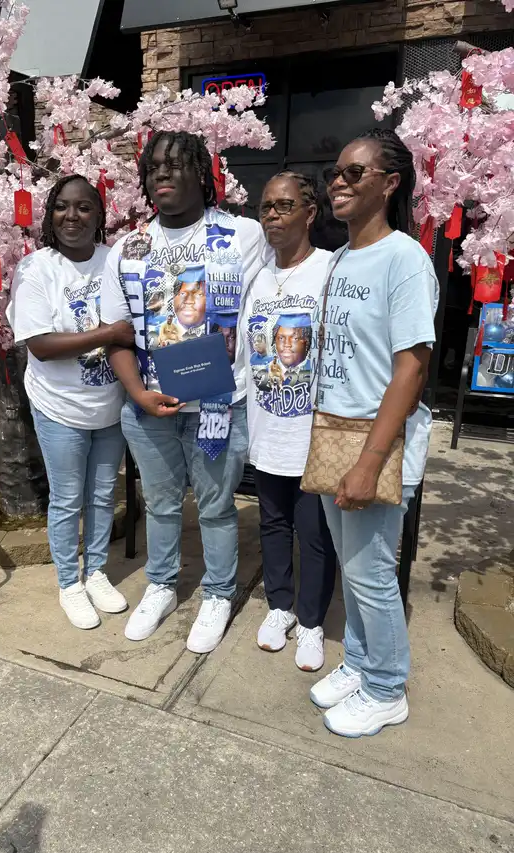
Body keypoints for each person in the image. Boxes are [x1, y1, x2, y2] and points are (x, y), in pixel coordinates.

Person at [100, 130, 266, 654]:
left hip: (218, 405)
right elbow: (116, 334)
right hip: (150, 408)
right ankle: (162, 585)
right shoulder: (128, 249)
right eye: (153, 168)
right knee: (161, 504)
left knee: (216, 507)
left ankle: (218, 593)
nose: (162, 175)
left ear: (202, 173)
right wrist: (138, 394)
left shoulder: (243, 235)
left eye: (175, 164)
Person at [309, 128, 437, 737]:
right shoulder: (339, 258)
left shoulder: (404, 259)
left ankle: (387, 688)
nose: (339, 181)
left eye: (354, 172)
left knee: (371, 572)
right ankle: (360, 662)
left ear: (390, 184)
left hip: (375, 441)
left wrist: (369, 461)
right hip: (333, 431)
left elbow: (411, 368)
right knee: (352, 564)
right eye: (334, 172)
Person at [8, 174, 134, 631]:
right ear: (49, 215)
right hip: (59, 406)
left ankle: (95, 572)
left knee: (102, 494)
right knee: (67, 498)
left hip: (109, 404)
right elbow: (41, 345)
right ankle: (69, 583)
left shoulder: (114, 260)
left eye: (83, 207)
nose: (72, 215)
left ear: (99, 215)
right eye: (62, 206)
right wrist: (109, 333)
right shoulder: (36, 269)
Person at [244, 171, 337, 671]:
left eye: (284, 206)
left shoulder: (331, 270)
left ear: (310, 212)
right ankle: (279, 606)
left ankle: (312, 620)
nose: (272, 216)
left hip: (313, 435)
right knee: (273, 523)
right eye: (266, 207)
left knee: (315, 534)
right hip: (267, 428)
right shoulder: (258, 278)